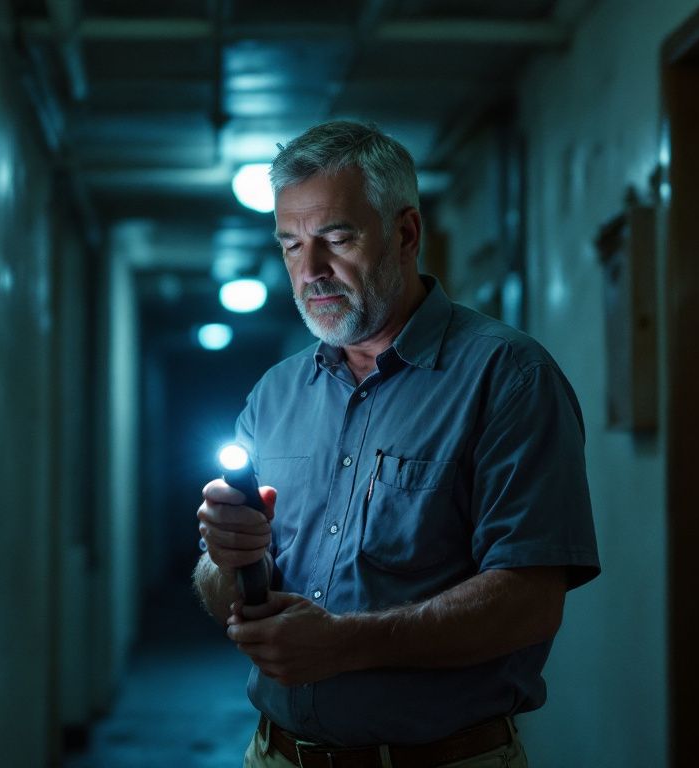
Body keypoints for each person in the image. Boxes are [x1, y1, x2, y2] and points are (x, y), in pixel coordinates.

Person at [192, 120, 600, 768]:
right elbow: (227, 590)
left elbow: (529, 600)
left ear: (407, 232)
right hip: (276, 755)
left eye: (337, 238)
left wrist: (346, 644)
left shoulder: (508, 377)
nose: (312, 271)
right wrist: (226, 557)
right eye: (292, 245)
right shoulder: (275, 394)